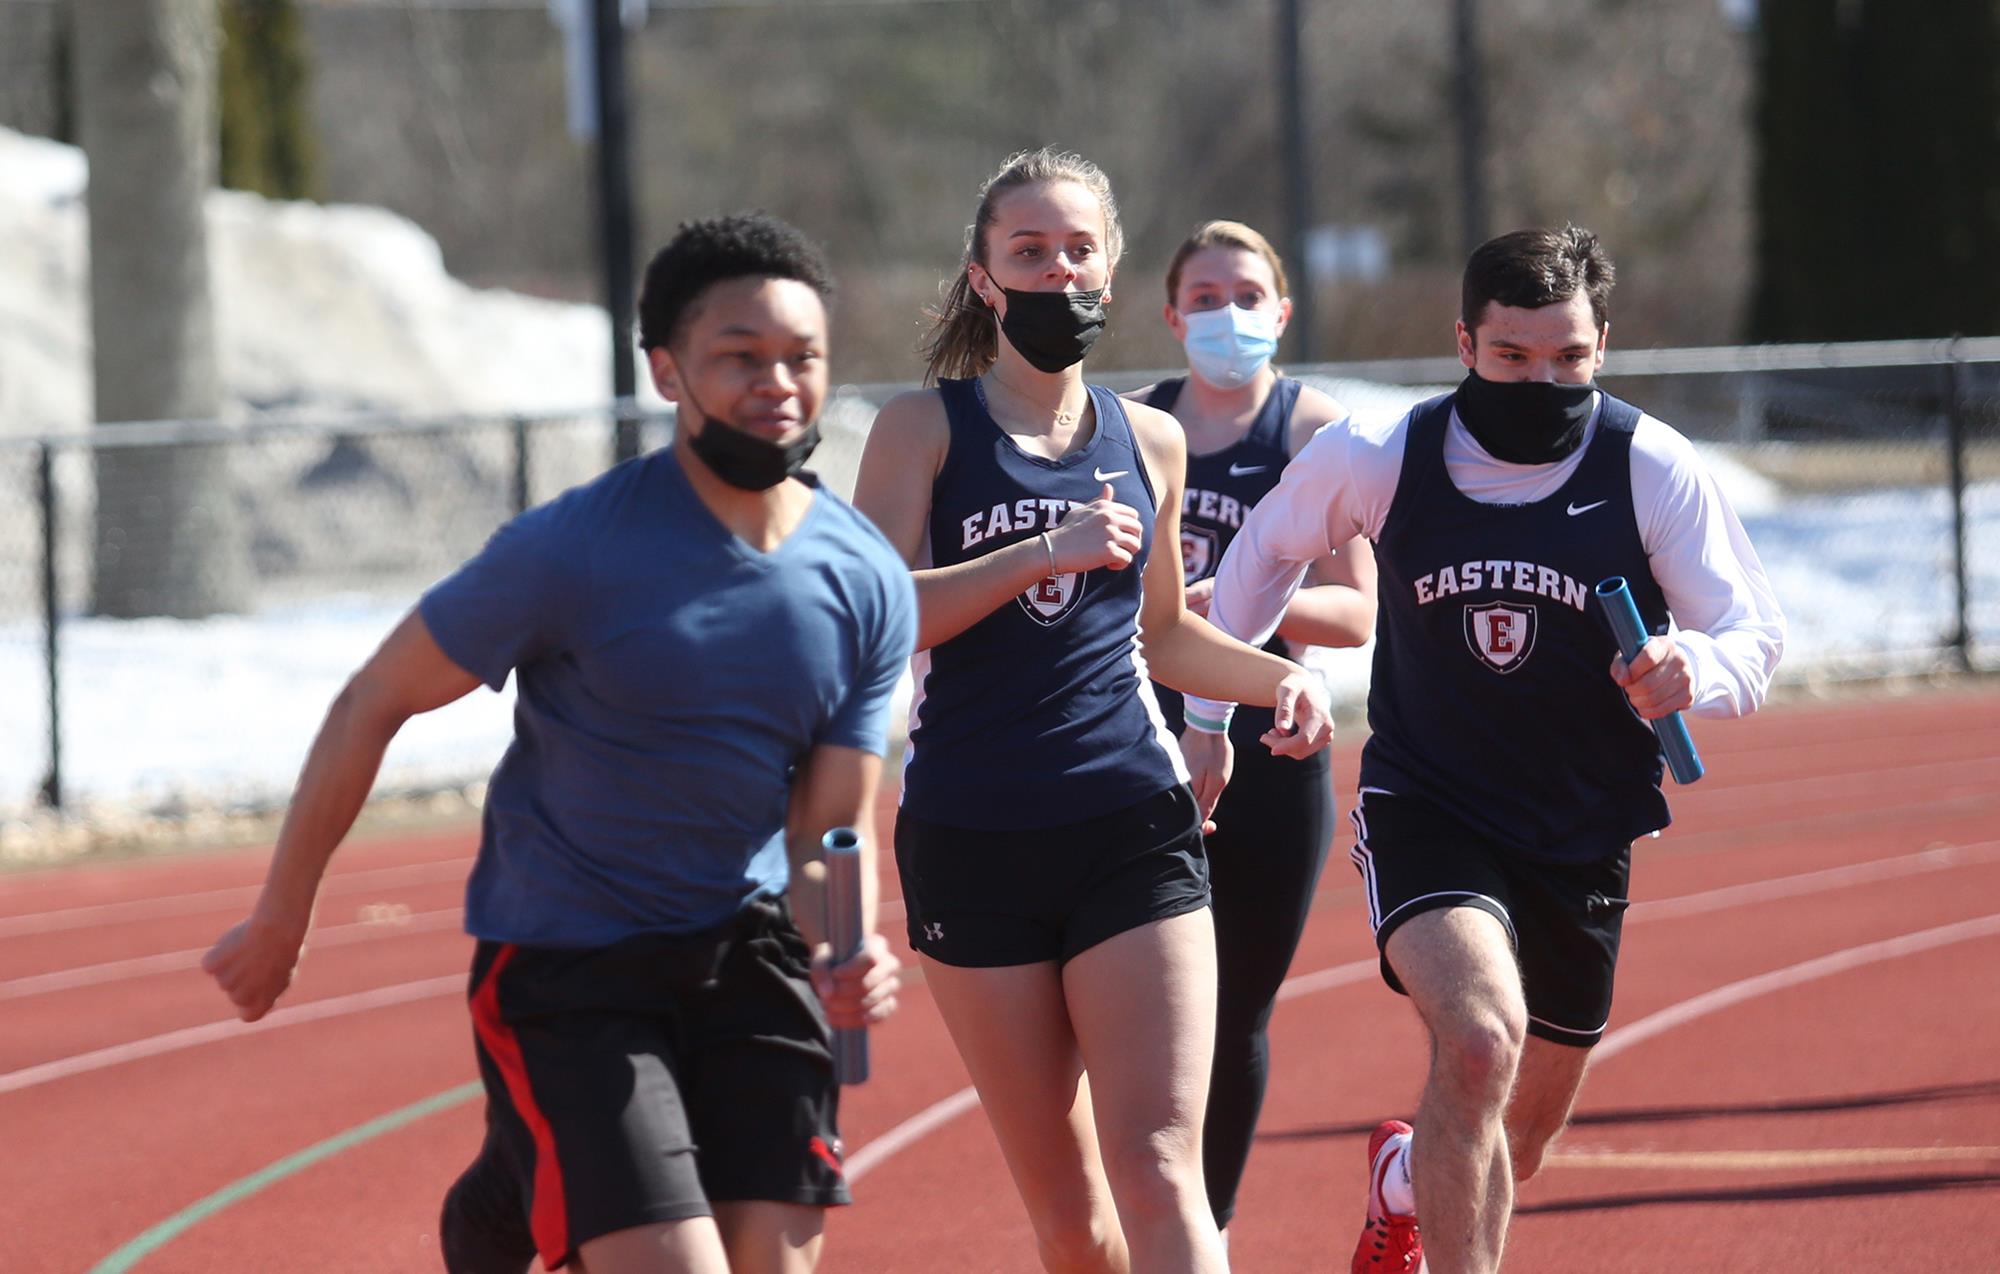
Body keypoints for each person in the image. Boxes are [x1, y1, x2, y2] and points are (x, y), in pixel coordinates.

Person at [203, 213, 918, 1274]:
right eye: (739, 357)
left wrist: (842, 942)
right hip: (572, 957)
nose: (776, 382)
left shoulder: (863, 578)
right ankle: (516, 1193)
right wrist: (281, 912)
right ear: (666, 370)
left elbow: (828, 822)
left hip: (746, 946)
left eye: (800, 358)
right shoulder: (572, 549)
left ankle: (515, 1186)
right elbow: (372, 699)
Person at [1180, 225, 1785, 1274]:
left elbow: (1752, 638)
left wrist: (1692, 666)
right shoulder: (1380, 455)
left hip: (1583, 821)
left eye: (1568, 360)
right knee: (1476, 1040)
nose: (1541, 380)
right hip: (1430, 800)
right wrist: (1209, 713)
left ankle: (1403, 1180)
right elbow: (1260, 556)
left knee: (1519, 1132)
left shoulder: (1645, 465)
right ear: (1464, 343)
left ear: (1601, 348)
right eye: (1512, 358)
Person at [850, 149, 1334, 1274]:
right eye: (1028, 251)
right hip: (973, 839)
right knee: (1072, 1226)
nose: (1055, 270)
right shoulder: (920, 431)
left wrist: (1281, 675)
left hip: (1130, 820)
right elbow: (871, 617)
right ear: (983, 276)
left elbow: (1164, 634)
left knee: (1165, 1168)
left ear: (1109, 271)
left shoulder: (1146, 439)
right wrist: (1036, 552)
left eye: (1076, 250)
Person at [1123, 220, 1377, 1239]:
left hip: (1272, 751)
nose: (1225, 315)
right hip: (1139, 751)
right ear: (1170, 314)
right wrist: (1172, 619)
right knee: (1132, 1016)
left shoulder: (1314, 433)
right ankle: (1131, 1216)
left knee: (1230, 1013)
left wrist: (1220, 605)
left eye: (1246, 295)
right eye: (1203, 296)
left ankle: (1205, 1226)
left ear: (1280, 309)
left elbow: (1355, 612)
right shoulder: (1129, 427)